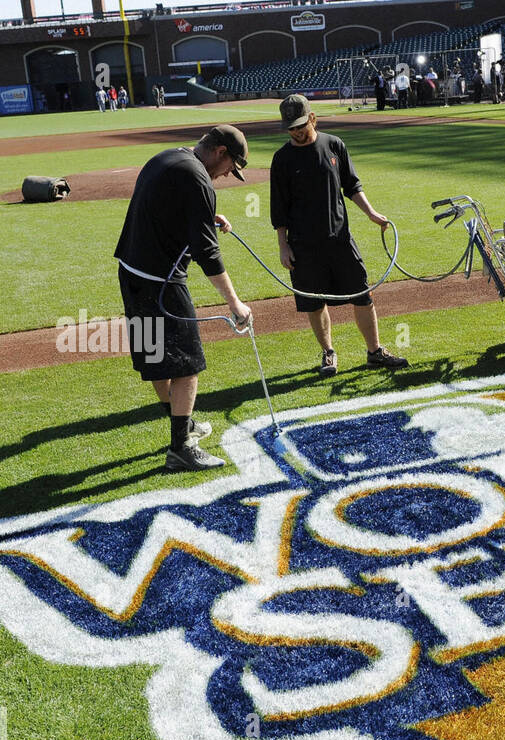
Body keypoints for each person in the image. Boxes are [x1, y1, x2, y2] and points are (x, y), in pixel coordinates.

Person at [114, 125, 252, 472]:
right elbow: (208, 252)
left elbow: (162, 209)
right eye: (229, 168)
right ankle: (181, 448)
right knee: (188, 364)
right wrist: (234, 303)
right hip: (161, 282)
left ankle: (184, 425)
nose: (225, 176)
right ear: (220, 152)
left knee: (157, 358)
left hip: (131, 272)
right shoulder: (196, 177)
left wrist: (202, 216)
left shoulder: (168, 157)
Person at [270, 95, 406, 376]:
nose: (295, 132)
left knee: (362, 294)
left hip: (341, 239)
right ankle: (328, 353)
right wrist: (283, 246)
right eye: (290, 128)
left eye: (299, 125)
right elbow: (278, 208)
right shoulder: (282, 159)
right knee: (314, 302)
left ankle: (375, 351)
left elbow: (352, 185)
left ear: (313, 118)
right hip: (303, 246)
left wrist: (371, 213)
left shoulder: (334, 145)